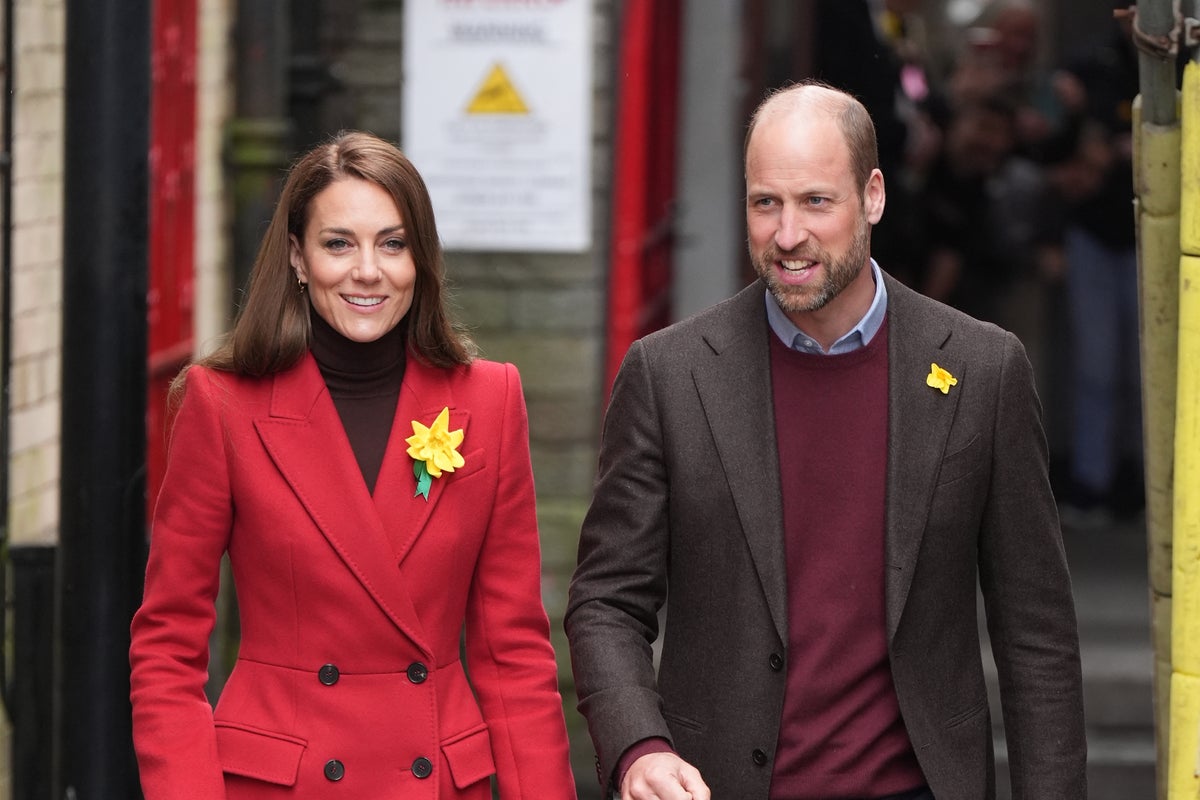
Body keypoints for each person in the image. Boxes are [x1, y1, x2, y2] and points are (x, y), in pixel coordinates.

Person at [565, 83, 1085, 800]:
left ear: (872, 197)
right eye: (764, 203)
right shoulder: (668, 375)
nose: (787, 235)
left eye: (815, 201)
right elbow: (606, 601)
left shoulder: (982, 371)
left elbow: (1037, 636)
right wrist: (639, 746)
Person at [130, 131, 576, 800]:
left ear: (420, 260)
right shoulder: (221, 404)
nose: (368, 270)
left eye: (392, 244)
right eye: (339, 243)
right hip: (284, 783)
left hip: (436, 781)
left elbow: (512, 652)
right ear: (298, 258)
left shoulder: (489, 398)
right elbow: (167, 651)